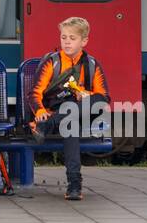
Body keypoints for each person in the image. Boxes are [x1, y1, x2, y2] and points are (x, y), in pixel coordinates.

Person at [30, 16, 110, 201]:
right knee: (70, 122)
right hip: (61, 112)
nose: (66, 41)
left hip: (85, 110)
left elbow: (104, 98)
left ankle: (46, 126)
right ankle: (74, 184)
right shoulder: (52, 62)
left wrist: (86, 95)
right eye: (63, 37)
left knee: (95, 101)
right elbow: (35, 94)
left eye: (72, 38)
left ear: (84, 41)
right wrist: (41, 112)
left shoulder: (91, 65)